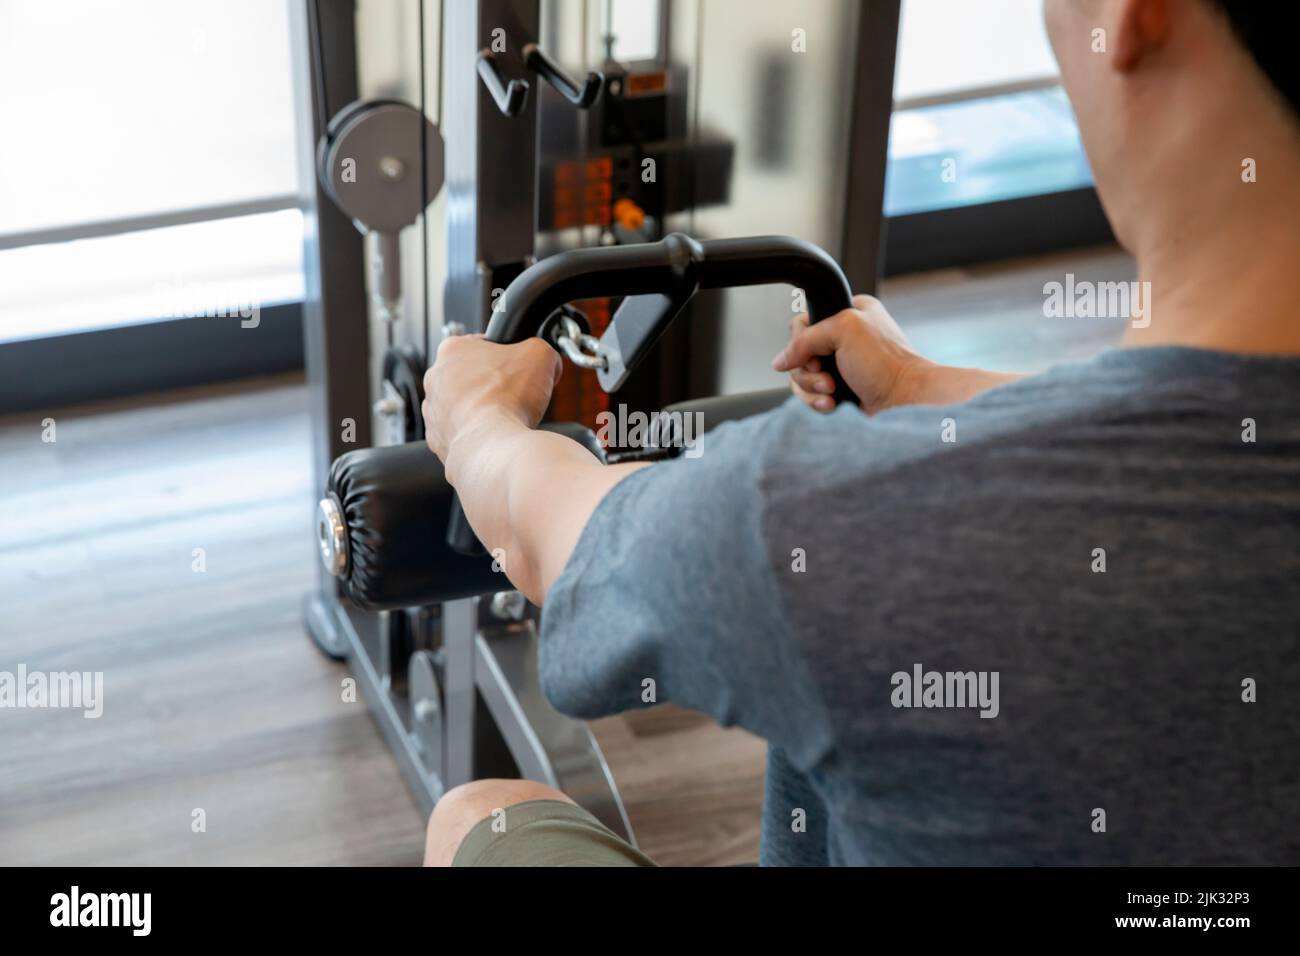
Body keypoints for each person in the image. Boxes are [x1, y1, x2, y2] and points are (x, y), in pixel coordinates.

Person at [420, 0, 1300, 866]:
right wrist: (925, 389)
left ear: (1134, 14)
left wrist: (479, 420)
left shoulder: (833, 516)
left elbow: (558, 549)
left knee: (483, 816)